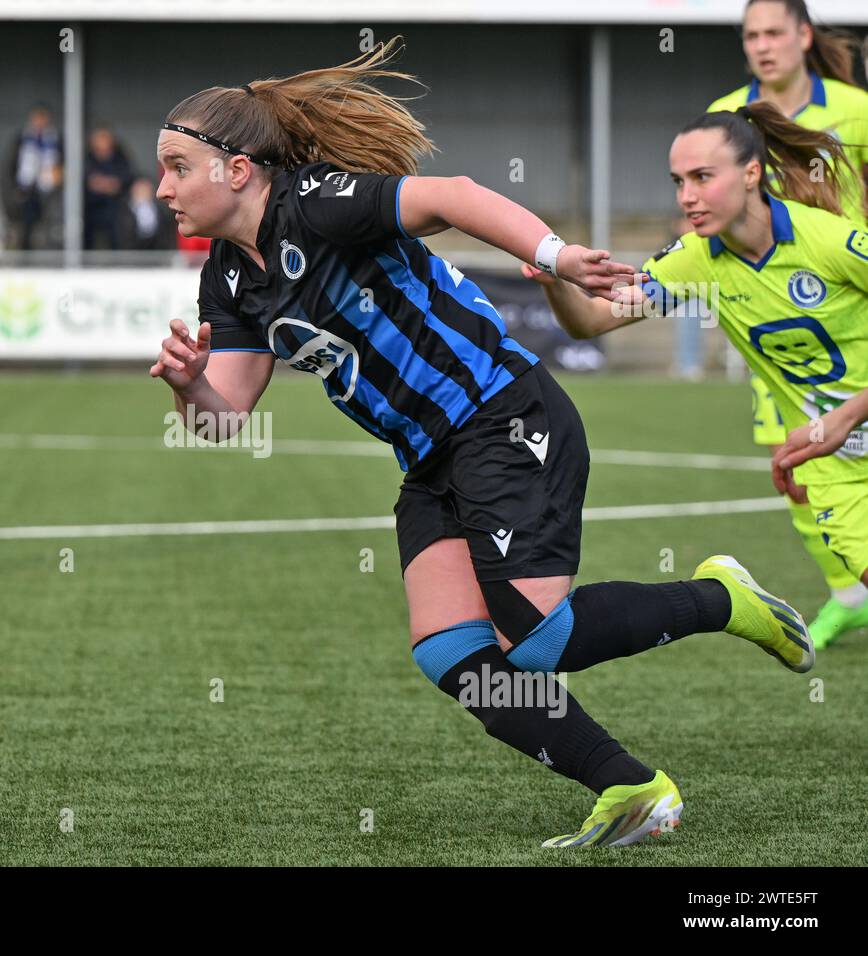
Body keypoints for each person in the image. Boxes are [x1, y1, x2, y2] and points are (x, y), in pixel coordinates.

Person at [150, 39, 812, 848]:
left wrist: (557, 255)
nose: (162, 188)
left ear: (239, 168)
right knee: (453, 655)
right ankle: (631, 787)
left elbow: (455, 196)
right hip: (429, 461)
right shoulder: (229, 277)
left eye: (178, 166)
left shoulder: (319, 201)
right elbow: (230, 416)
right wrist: (190, 386)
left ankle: (723, 601)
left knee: (539, 637)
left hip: (504, 414)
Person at [525, 104, 868, 638]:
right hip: (835, 465)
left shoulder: (829, 241)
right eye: (678, 181)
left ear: (752, 174)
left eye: (703, 177)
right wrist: (554, 283)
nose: (686, 196)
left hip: (835, 430)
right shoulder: (694, 259)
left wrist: (848, 413)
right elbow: (590, 322)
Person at [705, 0, 868, 647]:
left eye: (775, 32)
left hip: (846, 303)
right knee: (793, 460)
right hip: (772, 319)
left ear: (804, 36)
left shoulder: (854, 110)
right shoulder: (726, 115)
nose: (763, 46)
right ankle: (848, 594)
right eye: (751, 35)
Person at [6, 105, 63, 251]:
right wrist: (16, 186)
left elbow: (63, 163)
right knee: (27, 223)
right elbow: (13, 163)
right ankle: (26, 252)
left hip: (50, 188)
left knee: (49, 223)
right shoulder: (23, 138)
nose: (40, 122)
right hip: (26, 188)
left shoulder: (56, 138)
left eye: (43, 118)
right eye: (37, 118)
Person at [84, 125, 133, 250]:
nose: (102, 141)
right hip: (90, 206)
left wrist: (104, 184)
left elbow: (125, 179)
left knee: (120, 222)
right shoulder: (87, 157)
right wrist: (106, 184)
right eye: (99, 138)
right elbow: (87, 181)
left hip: (116, 205)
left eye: (105, 138)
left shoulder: (120, 156)